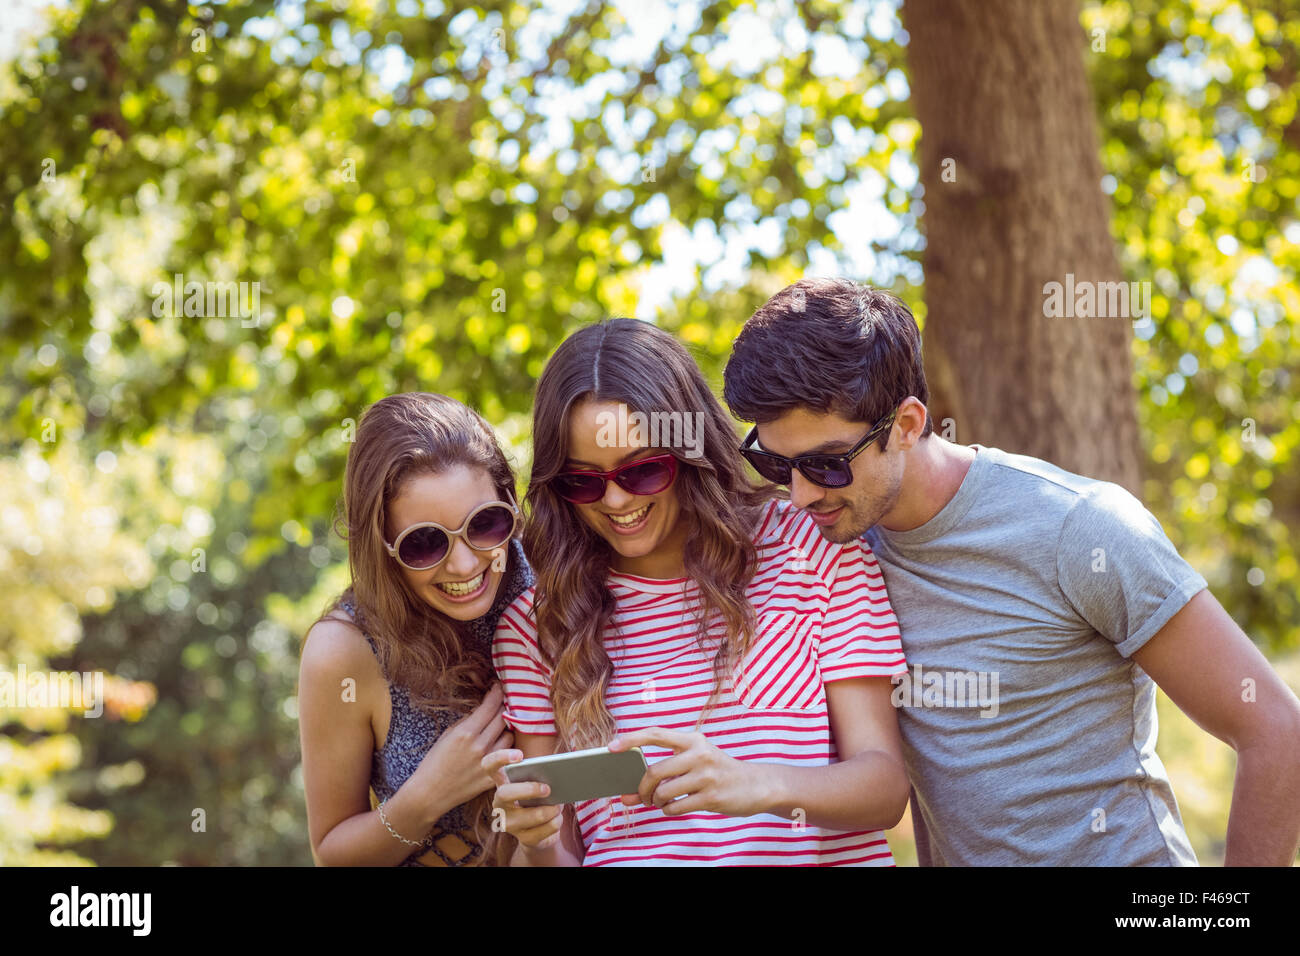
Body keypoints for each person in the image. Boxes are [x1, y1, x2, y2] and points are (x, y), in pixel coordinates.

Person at [722, 276, 1300, 866]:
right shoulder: (833, 556)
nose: (798, 495)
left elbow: (1276, 729)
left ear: (907, 424)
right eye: (774, 463)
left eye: (825, 464)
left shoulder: (1078, 527)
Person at [485, 318, 910, 866]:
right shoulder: (537, 622)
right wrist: (535, 840)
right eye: (583, 481)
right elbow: (556, 851)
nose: (614, 501)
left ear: (690, 450)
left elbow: (883, 787)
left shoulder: (810, 546)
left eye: (641, 472)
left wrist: (755, 784)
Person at [298, 392, 533, 866]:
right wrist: (426, 796)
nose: (465, 563)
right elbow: (332, 854)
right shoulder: (345, 652)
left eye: (485, 524)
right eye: (424, 543)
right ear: (380, 546)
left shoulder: (555, 584)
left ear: (510, 503)